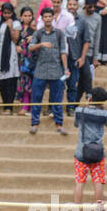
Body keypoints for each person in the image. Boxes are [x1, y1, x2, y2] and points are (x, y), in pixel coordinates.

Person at [29, 8, 68, 136]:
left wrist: (66, 68)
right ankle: (34, 123)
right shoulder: (38, 34)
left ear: (53, 18)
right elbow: (30, 47)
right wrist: (41, 44)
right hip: (40, 70)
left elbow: (63, 51)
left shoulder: (59, 34)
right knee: (36, 98)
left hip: (55, 70)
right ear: (42, 18)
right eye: (45, 17)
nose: (48, 19)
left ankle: (59, 124)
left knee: (57, 99)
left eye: (50, 16)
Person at [73, 87, 107, 204]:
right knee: (98, 182)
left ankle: (76, 210)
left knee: (79, 182)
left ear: (90, 98)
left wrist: (86, 105)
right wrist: (101, 108)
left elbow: (76, 124)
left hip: (81, 152)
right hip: (98, 152)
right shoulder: (104, 114)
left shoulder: (80, 111)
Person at [64, 0, 92, 112]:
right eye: (70, 4)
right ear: (66, 5)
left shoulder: (82, 22)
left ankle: (71, 107)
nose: (72, 7)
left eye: (74, 5)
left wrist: (82, 58)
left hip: (75, 57)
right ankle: (52, 107)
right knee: (59, 84)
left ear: (78, 6)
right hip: (62, 57)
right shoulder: (62, 19)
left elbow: (86, 41)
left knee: (73, 84)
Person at [0, 2, 21, 111]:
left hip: (10, 55)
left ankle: (9, 107)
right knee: (1, 83)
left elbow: (15, 39)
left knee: (10, 82)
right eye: (5, 13)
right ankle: (5, 105)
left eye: (9, 13)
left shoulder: (16, 23)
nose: (7, 15)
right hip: (0, 55)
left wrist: (10, 28)